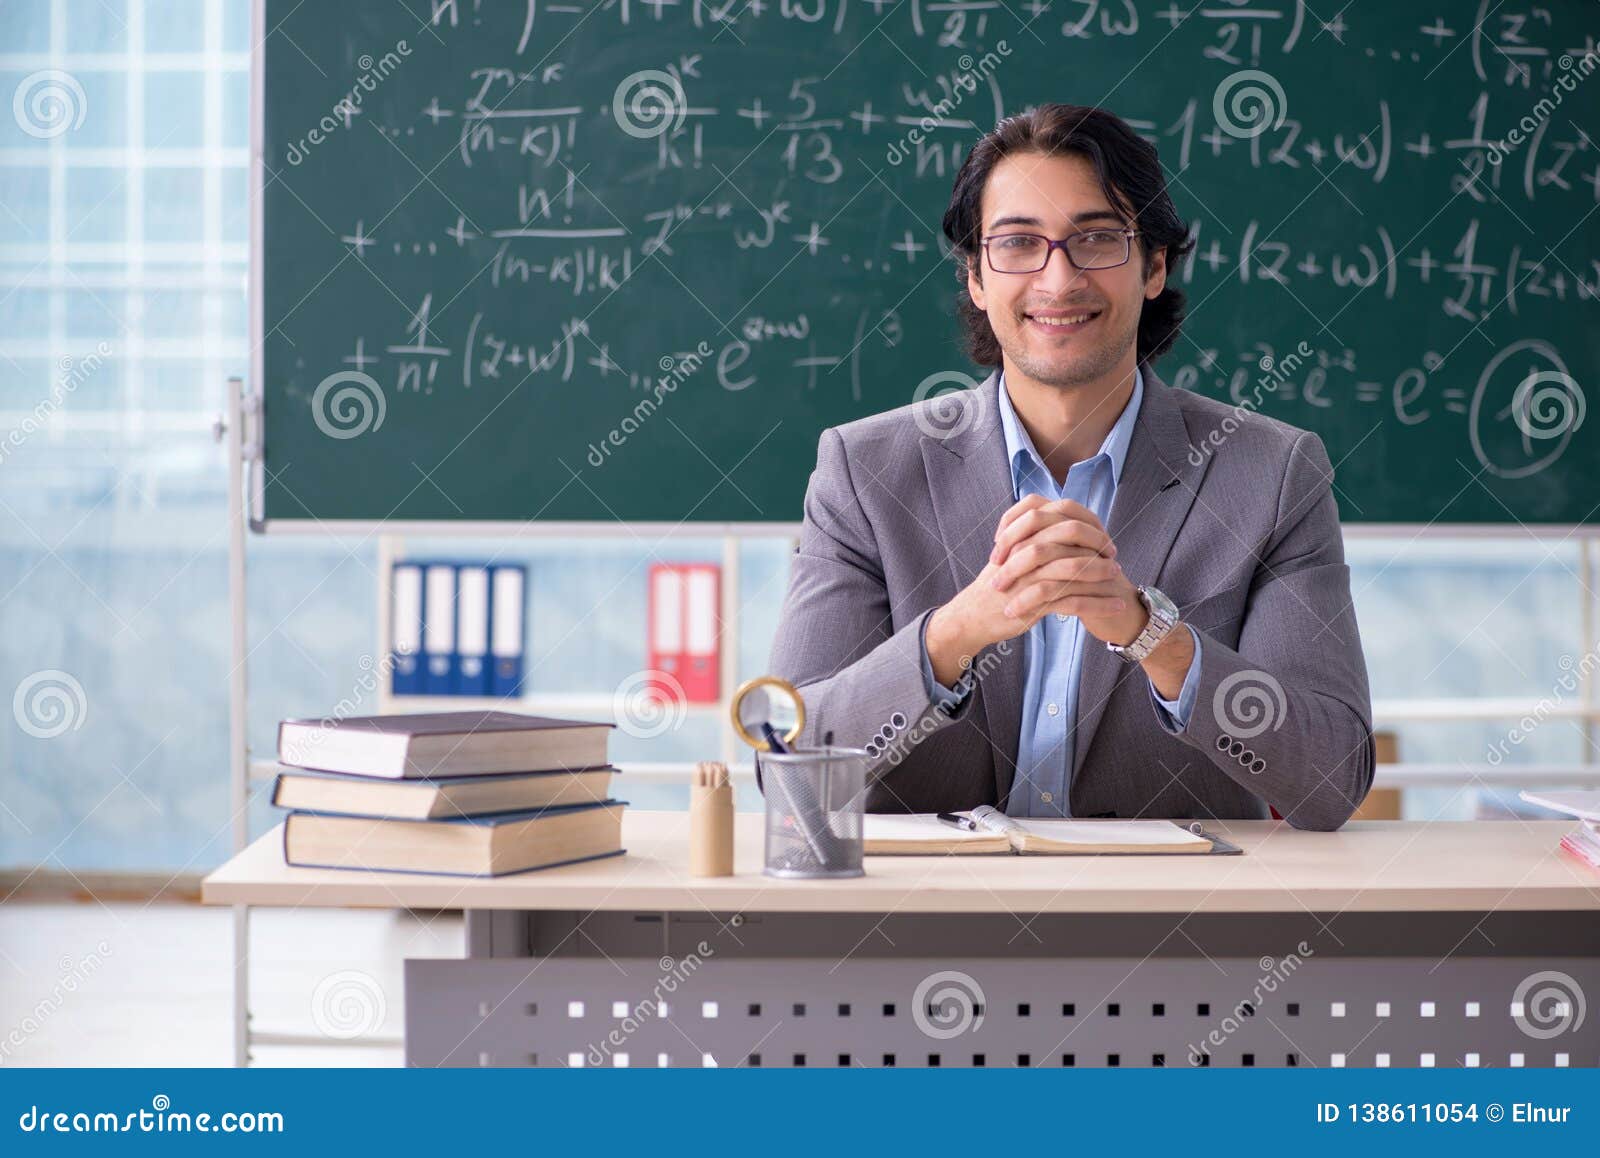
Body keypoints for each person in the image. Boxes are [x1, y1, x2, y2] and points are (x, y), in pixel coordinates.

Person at [768, 104, 1374, 830]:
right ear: (975, 278)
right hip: (927, 927)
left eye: (1095, 239)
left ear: (1153, 266)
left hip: (1173, 931)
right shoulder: (863, 473)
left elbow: (1331, 780)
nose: (1058, 280)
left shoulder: (1272, 473)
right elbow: (788, 771)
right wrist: (955, 634)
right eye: (1019, 243)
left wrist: (1153, 634)